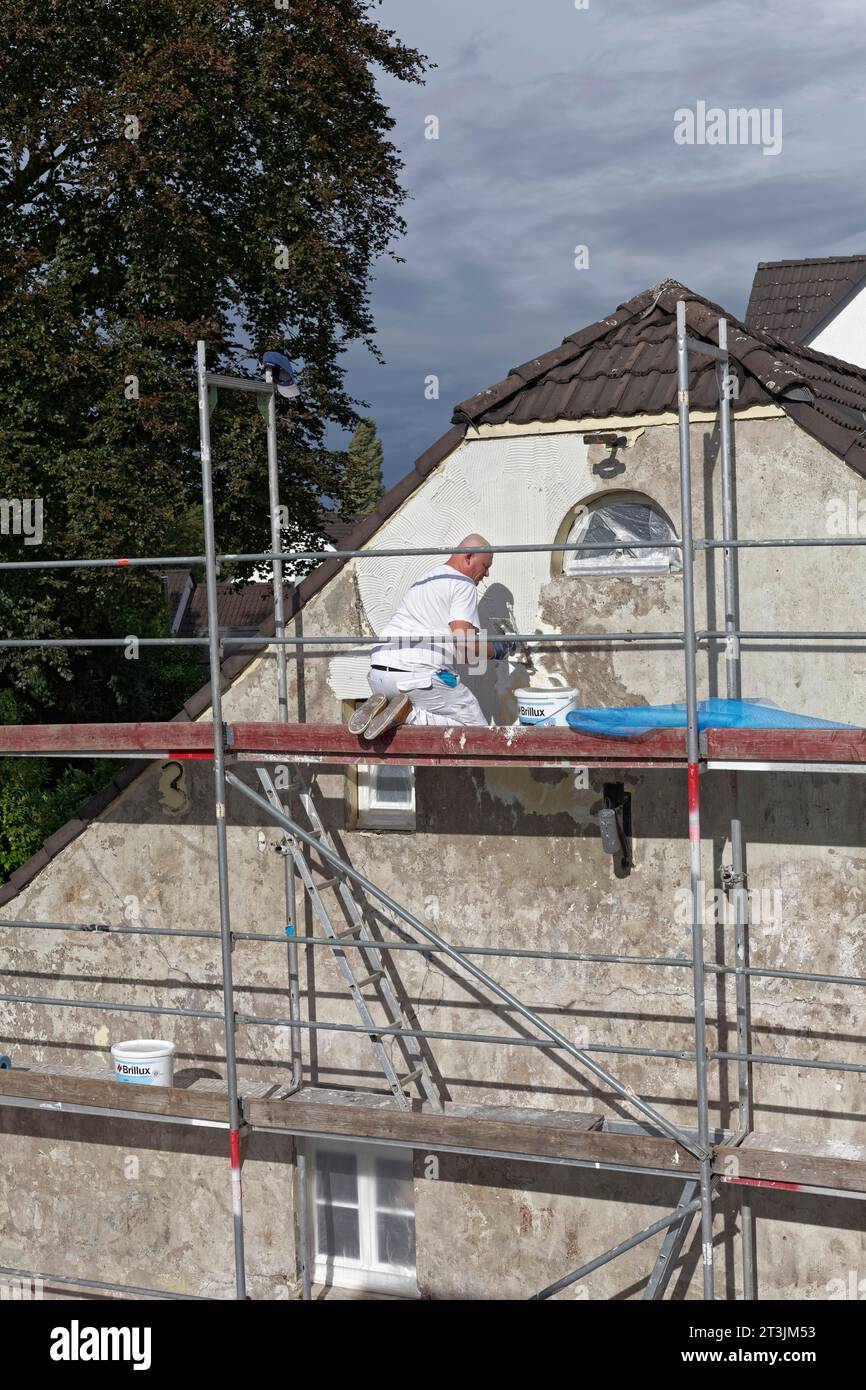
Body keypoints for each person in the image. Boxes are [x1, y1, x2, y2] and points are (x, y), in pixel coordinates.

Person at [348, 533, 513, 739]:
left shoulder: (427, 579)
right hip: (416, 676)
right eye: (485, 566)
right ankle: (408, 715)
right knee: (476, 733)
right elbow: (465, 643)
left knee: (435, 730)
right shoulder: (463, 583)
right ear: (468, 557)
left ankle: (385, 711)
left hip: (379, 675)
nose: (486, 574)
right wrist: (498, 649)